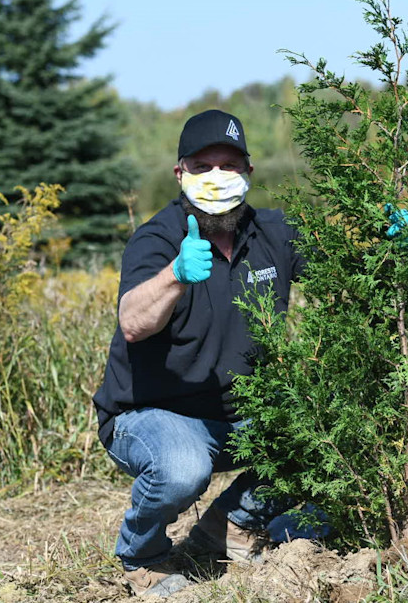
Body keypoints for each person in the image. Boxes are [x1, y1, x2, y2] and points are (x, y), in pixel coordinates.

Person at [93, 109, 306, 597]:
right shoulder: (158, 238)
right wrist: (174, 275)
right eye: (202, 166)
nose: (217, 177)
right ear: (180, 173)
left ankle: (227, 526)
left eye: (229, 165)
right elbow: (132, 321)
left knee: (322, 426)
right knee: (183, 467)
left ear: (249, 173)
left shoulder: (273, 233)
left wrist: (383, 242)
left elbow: (344, 267)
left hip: (238, 417)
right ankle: (142, 555)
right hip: (151, 416)